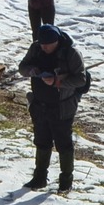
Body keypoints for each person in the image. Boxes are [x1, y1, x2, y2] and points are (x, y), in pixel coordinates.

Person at [17, 23, 89, 192]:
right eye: (42, 44)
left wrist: (58, 81)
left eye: (48, 44)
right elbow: (22, 68)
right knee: (42, 141)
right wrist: (31, 70)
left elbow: (81, 79)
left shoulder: (71, 53)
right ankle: (39, 178)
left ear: (56, 40)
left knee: (63, 144)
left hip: (62, 107)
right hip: (39, 104)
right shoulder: (36, 48)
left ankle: (65, 182)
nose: (45, 47)